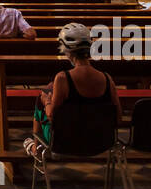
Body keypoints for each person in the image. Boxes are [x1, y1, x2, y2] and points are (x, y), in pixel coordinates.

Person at [26, 23, 121, 153]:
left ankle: (36, 149)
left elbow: (52, 115)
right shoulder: (107, 79)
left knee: (40, 99)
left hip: (65, 142)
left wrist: (46, 100)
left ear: (67, 50)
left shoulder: (63, 78)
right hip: (100, 142)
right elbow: (118, 117)